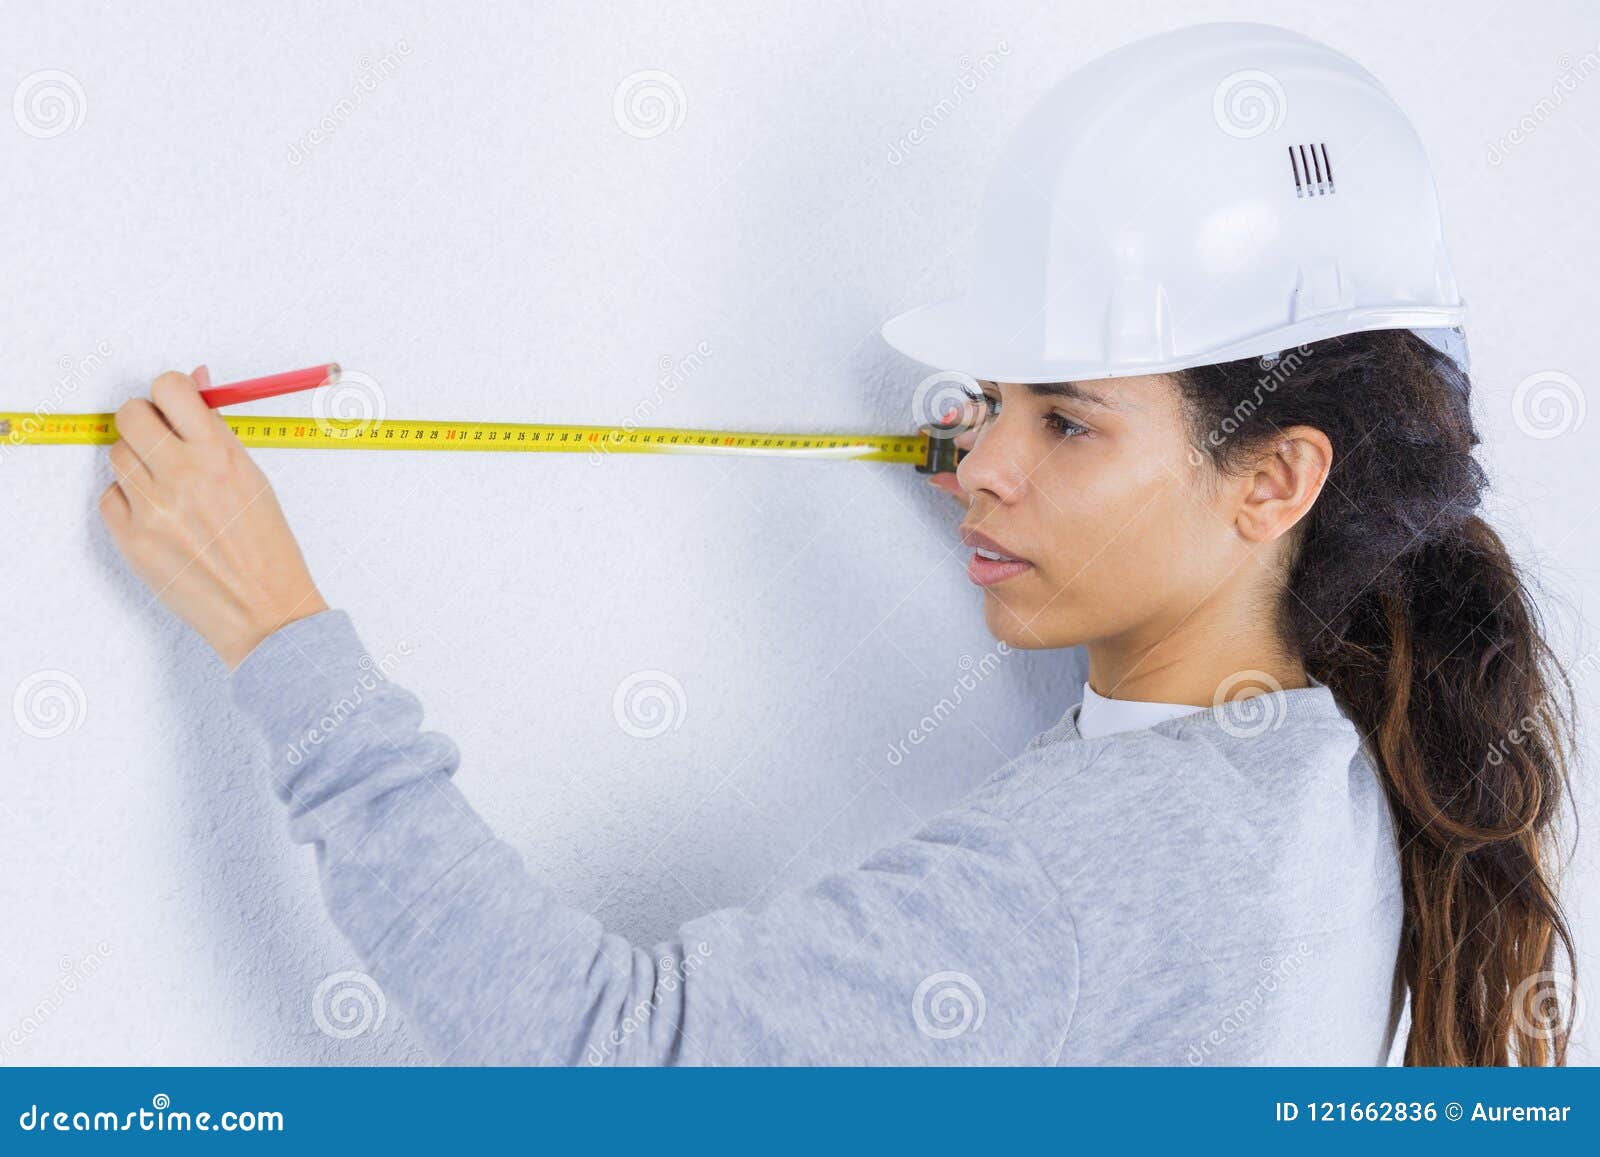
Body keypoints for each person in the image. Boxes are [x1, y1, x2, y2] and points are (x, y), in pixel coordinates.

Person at [97, 22, 1577, 1065]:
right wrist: (1049, 468)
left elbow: (607, 1056)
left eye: (1066, 421)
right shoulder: (1320, 760)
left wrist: (276, 629)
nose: (981, 462)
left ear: (1275, 479)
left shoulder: (1106, 862)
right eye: (988, 402)